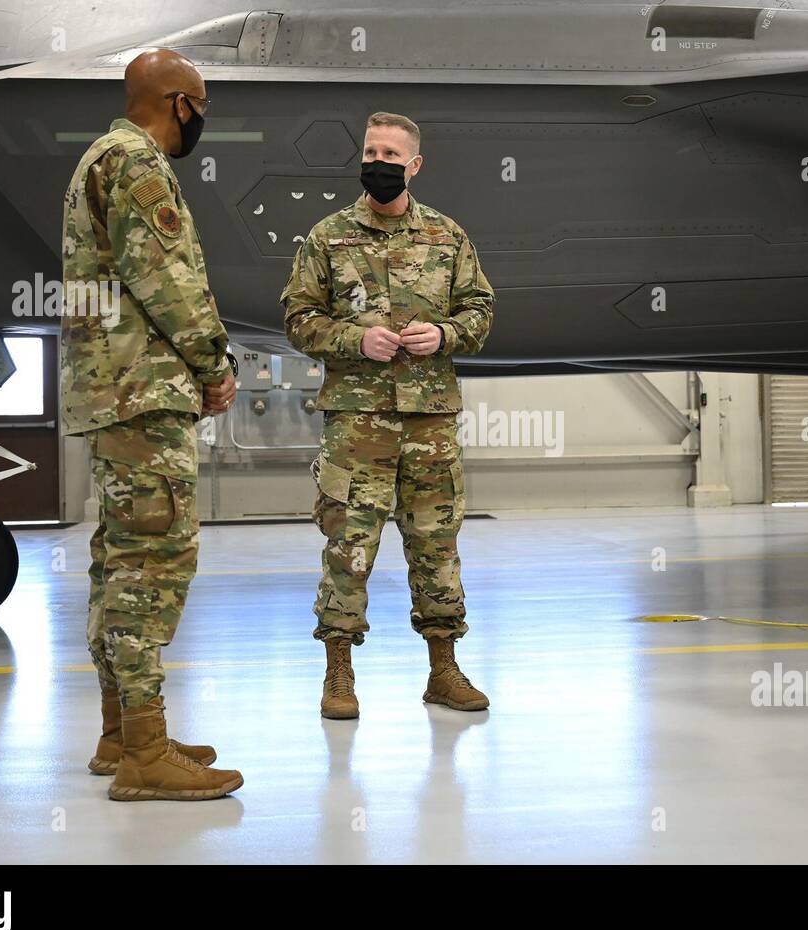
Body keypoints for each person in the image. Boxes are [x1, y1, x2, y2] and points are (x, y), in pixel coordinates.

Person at [61, 49, 243, 798]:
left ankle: (120, 733)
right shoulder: (138, 164)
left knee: (119, 560)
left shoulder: (96, 159)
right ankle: (143, 755)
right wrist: (214, 363)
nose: (201, 121)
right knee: (153, 563)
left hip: (112, 393)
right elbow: (165, 279)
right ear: (178, 104)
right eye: (200, 107)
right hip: (144, 391)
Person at [281, 111, 495, 720]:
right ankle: (339, 673)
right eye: (370, 151)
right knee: (349, 546)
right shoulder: (327, 237)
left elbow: (482, 310)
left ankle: (443, 670)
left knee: (437, 546)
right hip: (358, 424)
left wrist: (447, 333)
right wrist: (355, 340)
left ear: (414, 166)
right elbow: (298, 319)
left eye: (390, 154)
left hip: (430, 422)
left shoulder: (448, 237)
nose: (378, 162)